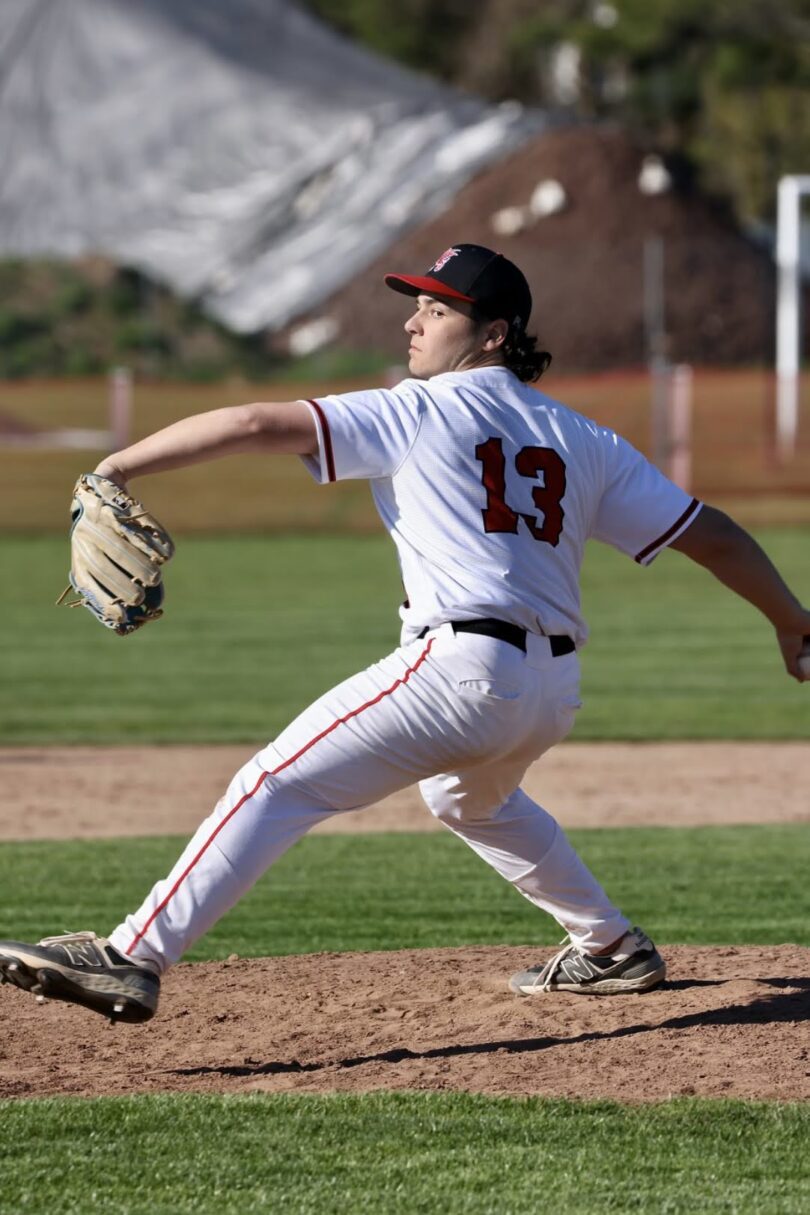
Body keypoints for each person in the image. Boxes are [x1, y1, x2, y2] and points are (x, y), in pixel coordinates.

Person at [1, 243, 807, 1024]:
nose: (414, 323)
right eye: (415, 305)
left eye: (439, 308)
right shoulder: (582, 438)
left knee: (273, 781)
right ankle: (609, 946)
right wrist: (791, 621)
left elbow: (253, 420)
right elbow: (715, 534)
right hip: (551, 689)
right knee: (468, 795)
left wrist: (118, 466)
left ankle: (131, 954)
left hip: (460, 670)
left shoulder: (413, 409)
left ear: (496, 333)